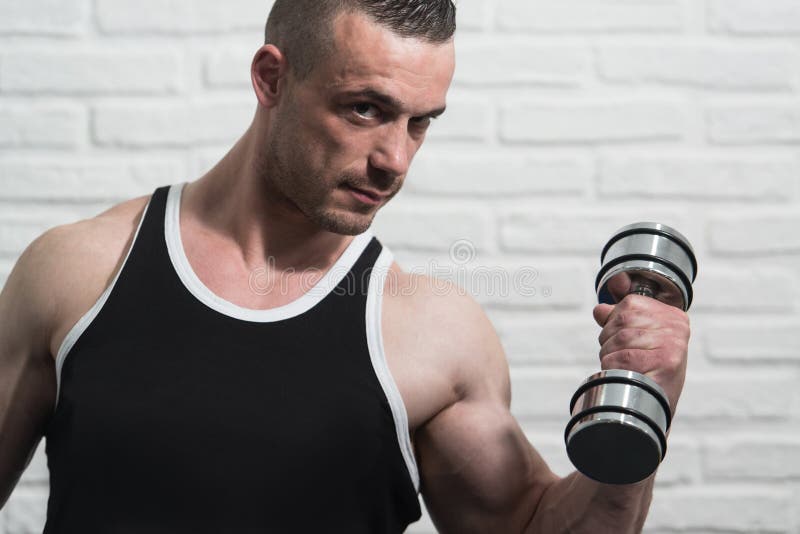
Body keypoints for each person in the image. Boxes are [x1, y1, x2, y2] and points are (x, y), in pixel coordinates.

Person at [0, 0, 690, 532]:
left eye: (420, 122)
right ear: (272, 78)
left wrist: (644, 400)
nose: (396, 160)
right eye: (366, 109)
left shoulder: (434, 336)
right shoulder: (77, 274)